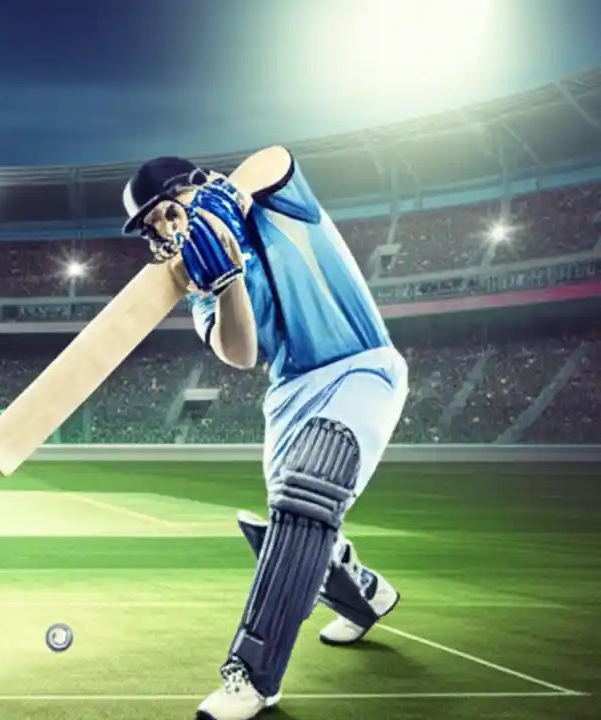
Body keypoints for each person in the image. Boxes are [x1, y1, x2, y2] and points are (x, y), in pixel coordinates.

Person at [121, 147, 410, 720]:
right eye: (154, 227)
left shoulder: (277, 203)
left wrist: (225, 203)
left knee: (306, 494)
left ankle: (253, 676)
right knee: (298, 521)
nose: (165, 229)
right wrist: (225, 282)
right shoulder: (199, 282)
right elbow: (241, 352)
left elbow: (275, 156)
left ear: (196, 185)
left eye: (166, 211)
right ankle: (365, 590)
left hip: (358, 366)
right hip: (287, 399)